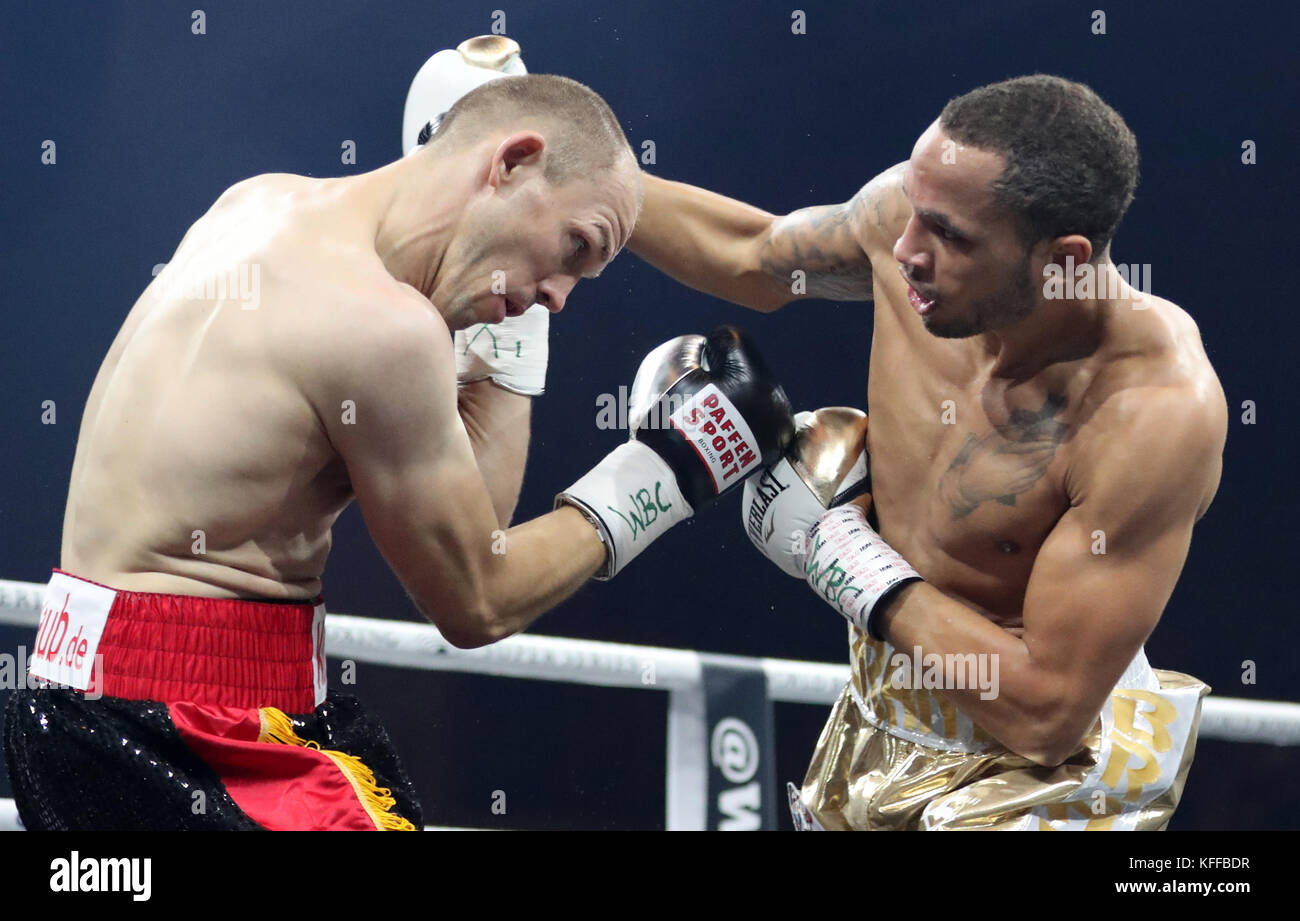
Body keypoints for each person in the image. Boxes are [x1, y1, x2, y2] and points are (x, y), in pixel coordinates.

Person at [3, 37, 793, 831]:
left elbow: (464, 517)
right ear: (511, 162)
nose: (560, 296)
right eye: (574, 248)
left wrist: (513, 339)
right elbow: (478, 599)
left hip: (84, 697)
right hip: (192, 726)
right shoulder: (384, 330)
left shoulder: (257, 203)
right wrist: (674, 466)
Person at [628, 74, 1227, 830]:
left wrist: (838, 552)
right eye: (912, 209)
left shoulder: (1150, 414)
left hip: (1040, 780)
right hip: (880, 718)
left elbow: (1048, 713)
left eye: (950, 235)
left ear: (1063, 257)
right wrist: (571, 172)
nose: (904, 248)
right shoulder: (905, 222)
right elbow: (754, 252)